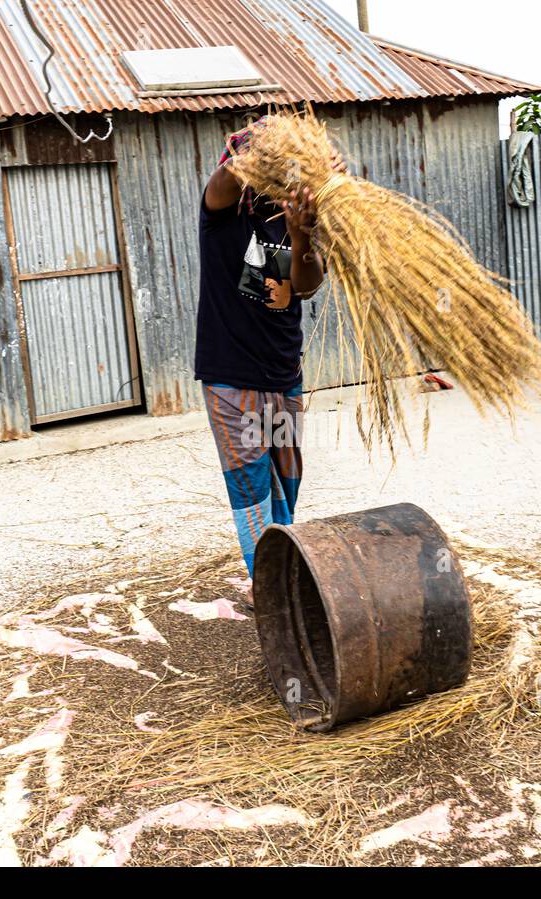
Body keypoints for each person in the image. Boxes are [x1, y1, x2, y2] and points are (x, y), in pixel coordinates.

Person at [194, 121, 345, 601]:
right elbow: (225, 179)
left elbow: (304, 285)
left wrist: (303, 233)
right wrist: (282, 155)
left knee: (287, 483)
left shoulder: (294, 213)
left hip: (284, 375)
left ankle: (284, 573)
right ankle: (275, 597)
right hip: (230, 381)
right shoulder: (222, 210)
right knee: (252, 491)